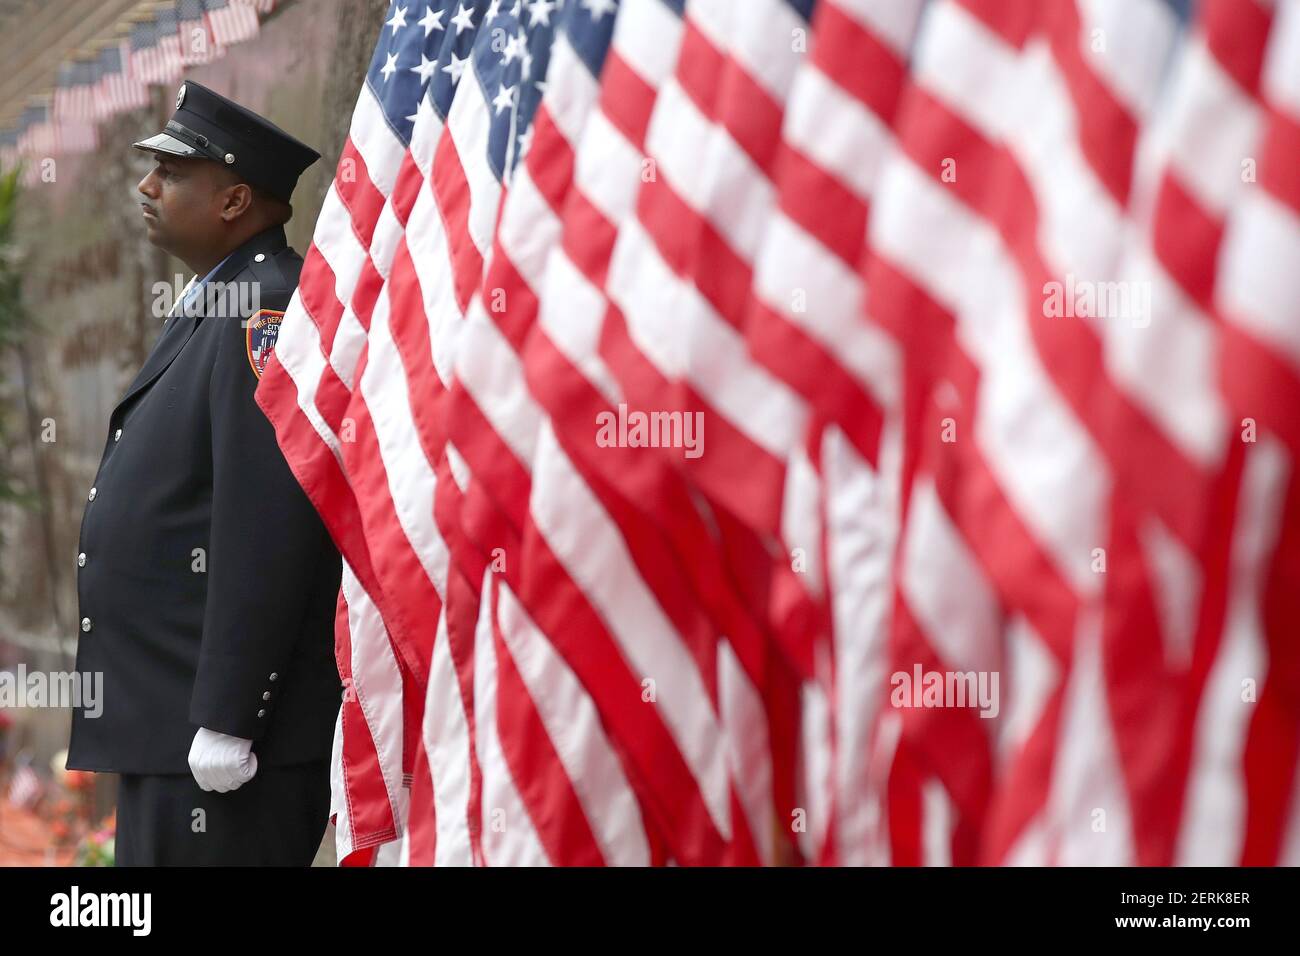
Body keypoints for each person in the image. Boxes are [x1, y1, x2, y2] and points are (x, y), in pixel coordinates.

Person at [65, 80, 343, 866]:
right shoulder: (215, 303)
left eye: (173, 173)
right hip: (171, 726)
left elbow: (270, 516)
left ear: (233, 201)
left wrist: (231, 714)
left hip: (220, 742)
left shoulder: (265, 307)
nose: (146, 188)